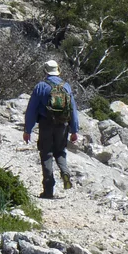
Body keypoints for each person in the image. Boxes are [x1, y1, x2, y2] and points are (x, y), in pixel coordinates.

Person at [23, 60, 80, 199]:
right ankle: (65, 171)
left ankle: (48, 190)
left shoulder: (41, 87)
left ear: (45, 71)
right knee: (60, 151)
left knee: (46, 153)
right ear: (58, 70)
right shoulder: (66, 86)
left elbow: (31, 110)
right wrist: (74, 130)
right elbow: (73, 109)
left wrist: (27, 130)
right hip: (62, 125)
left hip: (45, 124)